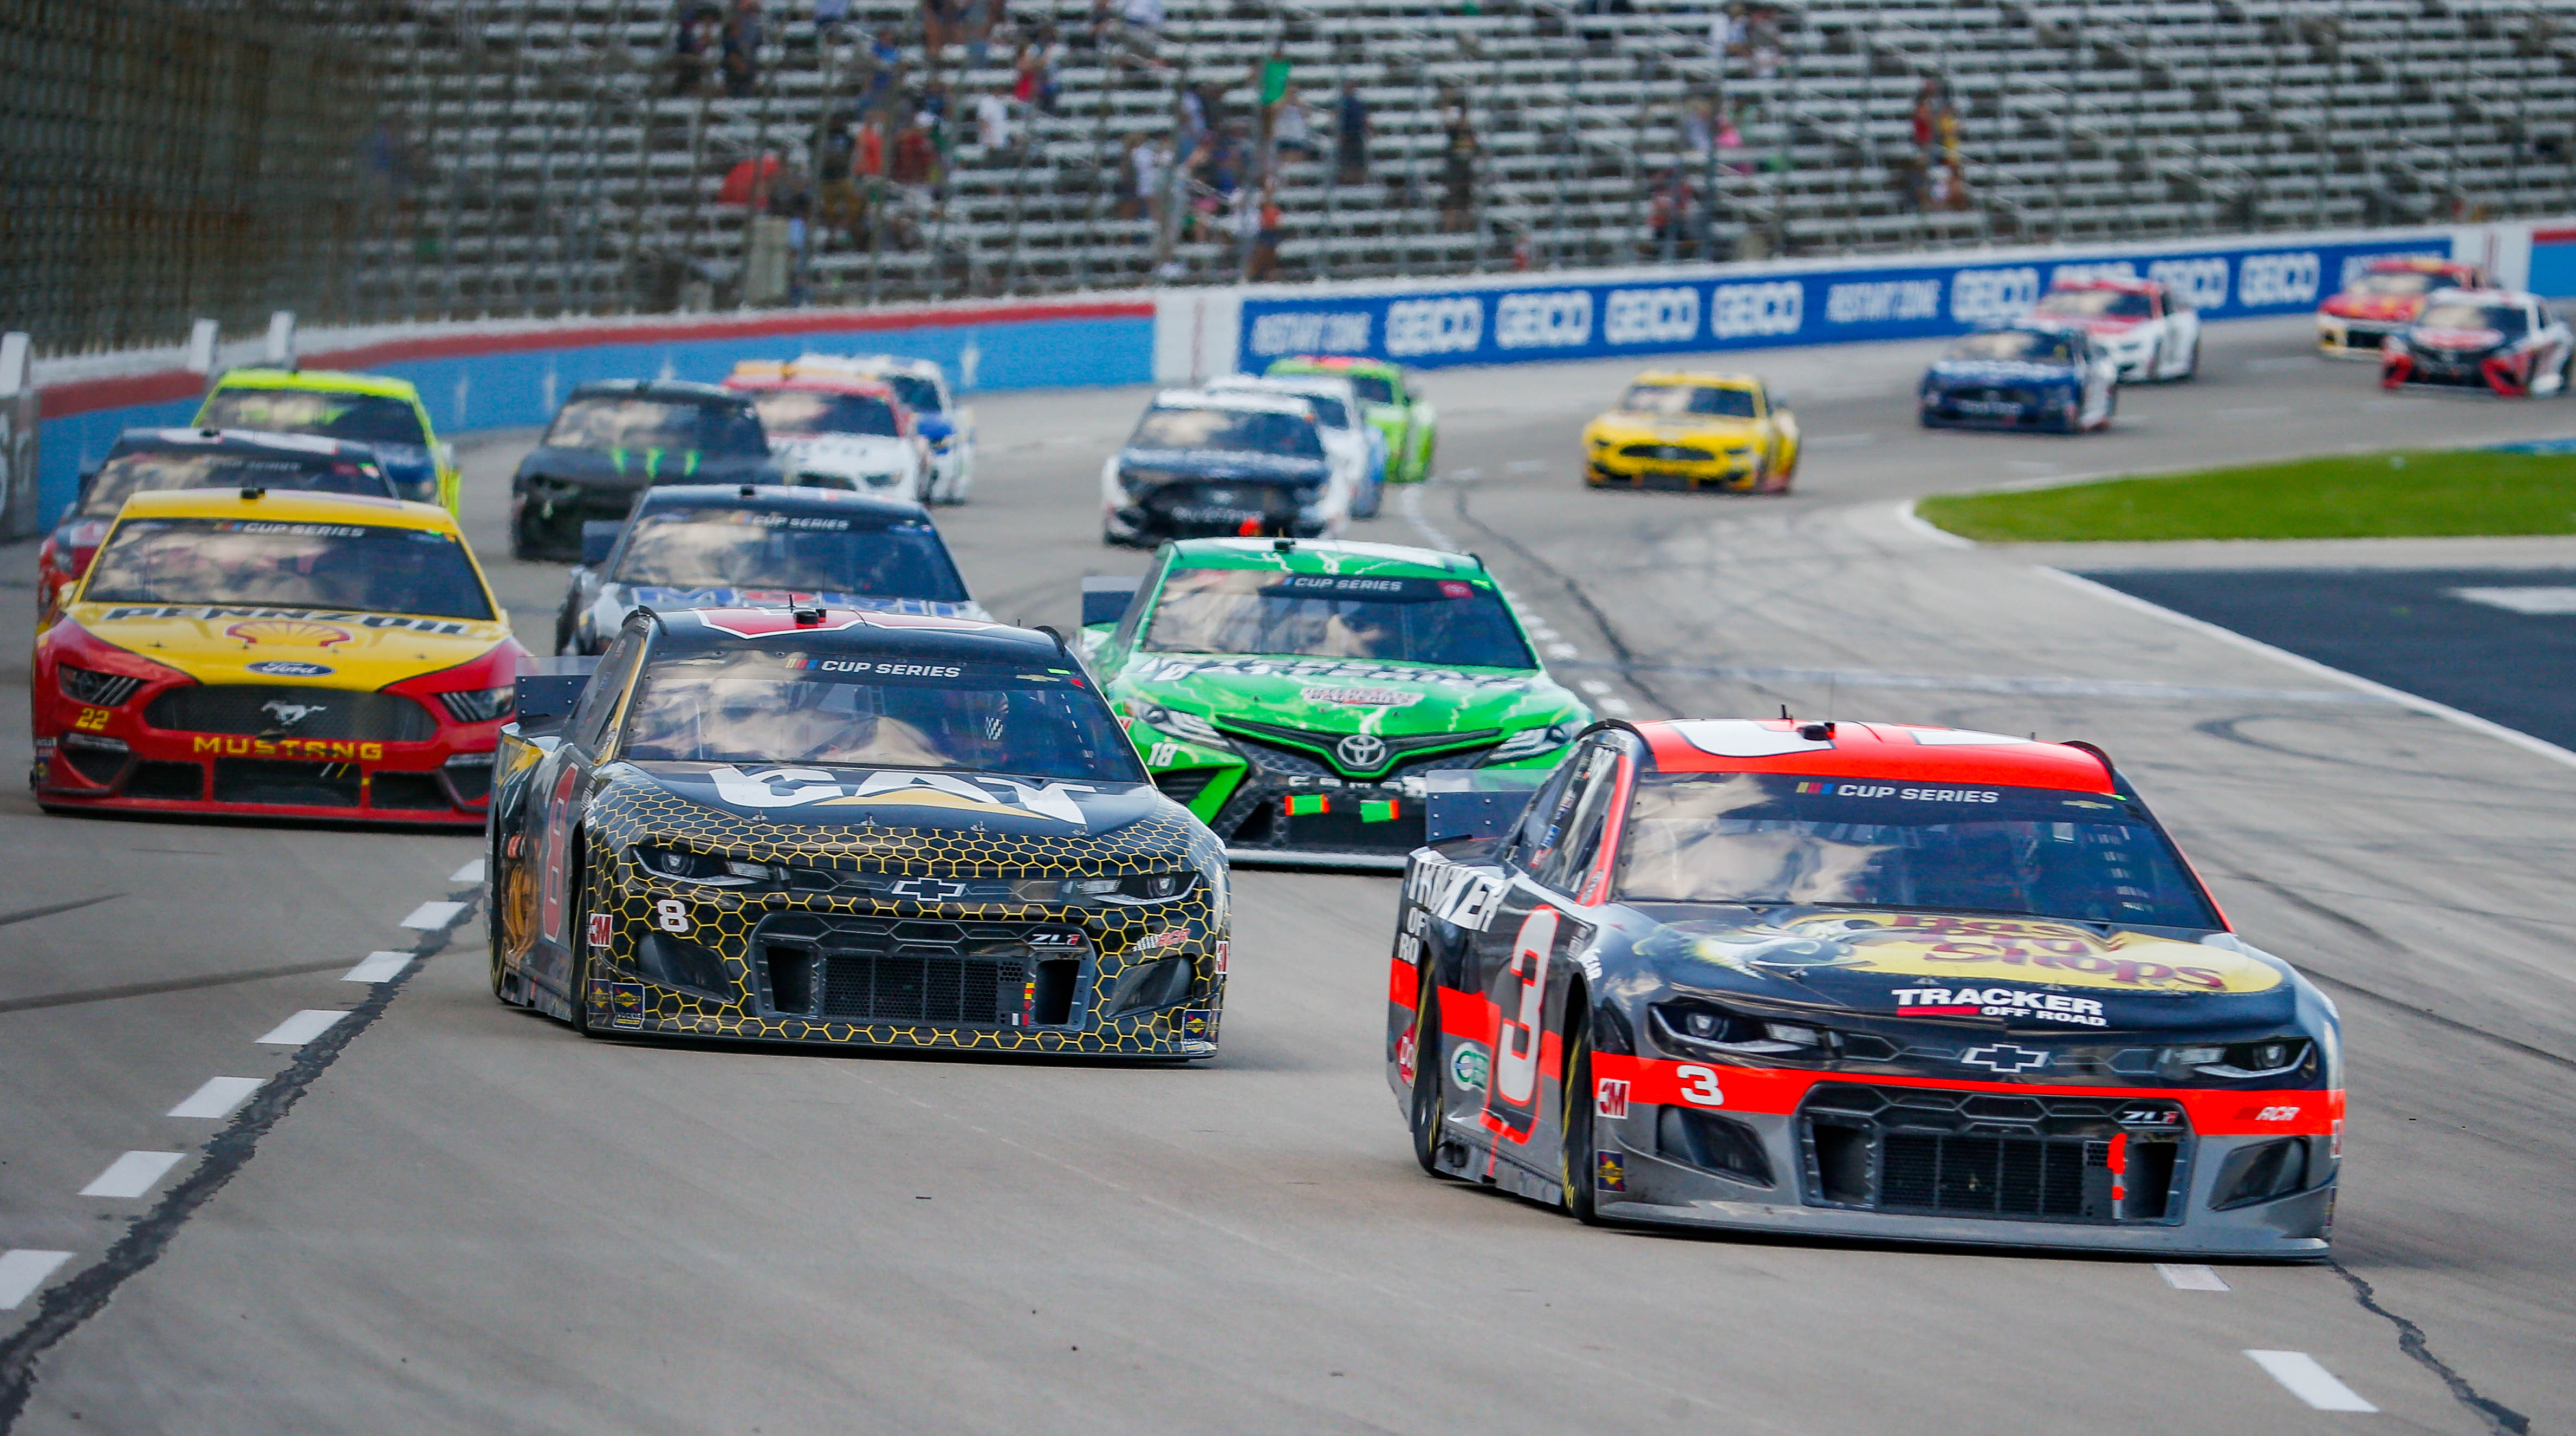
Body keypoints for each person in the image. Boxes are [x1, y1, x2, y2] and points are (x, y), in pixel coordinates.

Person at [721, 0, 763, 98]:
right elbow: (732, 58)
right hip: (734, 71)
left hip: (744, 68)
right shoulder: (729, 42)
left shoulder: (748, 30)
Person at [1334, 79, 1369, 184]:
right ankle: (1348, 182)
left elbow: (1363, 118)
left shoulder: (1357, 103)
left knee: (1357, 162)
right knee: (1348, 162)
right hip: (1347, 136)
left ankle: (1357, 181)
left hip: (1357, 136)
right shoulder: (1342, 103)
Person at [976, 83, 1016, 152]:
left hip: (1002, 141)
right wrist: (989, 139)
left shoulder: (1002, 101)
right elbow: (983, 120)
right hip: (991, 142)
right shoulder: (987, 101)